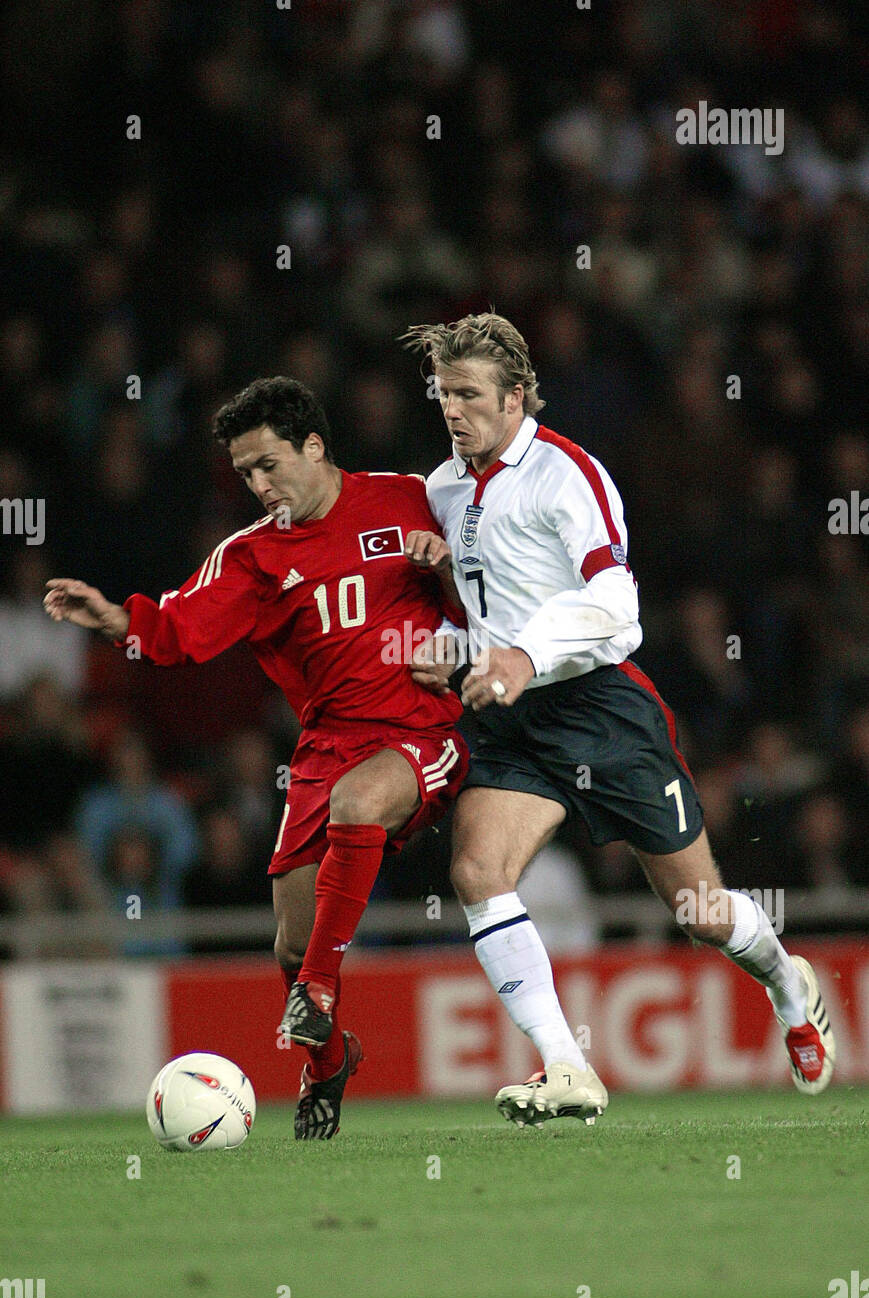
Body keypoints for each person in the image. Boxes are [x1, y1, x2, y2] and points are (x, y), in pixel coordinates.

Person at [401, 311, 835, 1127]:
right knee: (475, 873)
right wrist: (454, 649)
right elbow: (490, 618)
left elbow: (615, 604)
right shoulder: (441, 487)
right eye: (442, 395)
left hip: (600, 708)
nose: (452, 410)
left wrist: (523, 658)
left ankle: (786, 985)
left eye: (467, 394)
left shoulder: (567, 474)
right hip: (511, 721)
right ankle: (566, 1066)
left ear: (516, 397)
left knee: (699, 913)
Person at [44, 376, 468, 1138]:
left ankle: (320, 989)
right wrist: (115, 620)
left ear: (314, 445)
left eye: (269, 464)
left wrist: (445, 575)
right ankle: (327, 1063)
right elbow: (180, 627)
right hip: (325, 747)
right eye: (245, 474)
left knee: (356, 813)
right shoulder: (254, 556)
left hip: (419, 730)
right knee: (290, 944)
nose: (260, 485)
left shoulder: (409, 498)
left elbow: (491, 589)